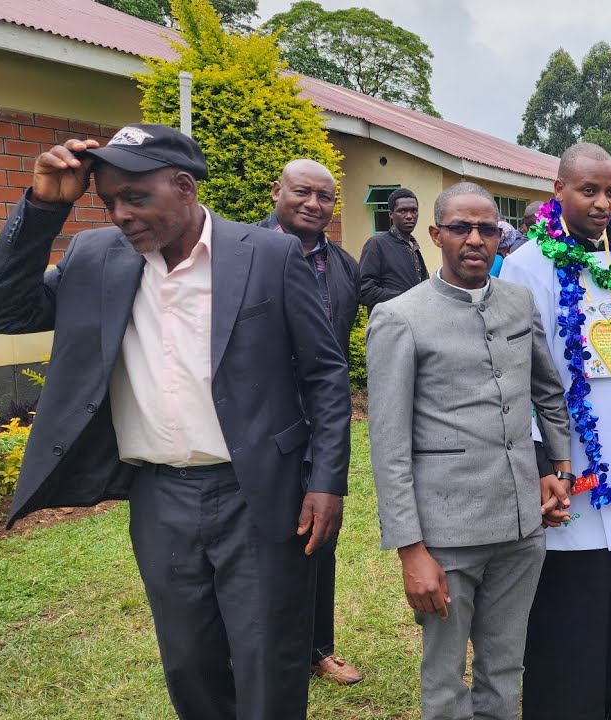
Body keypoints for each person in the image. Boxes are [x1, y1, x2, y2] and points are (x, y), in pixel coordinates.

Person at [0, 126, 351, 718]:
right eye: (108, 201)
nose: (121, 214)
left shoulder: (267, 254)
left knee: (269, 656)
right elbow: (7, 310)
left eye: (135, 197)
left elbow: (324, 375)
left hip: (258, 491)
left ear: (183, 187)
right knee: (188, 660)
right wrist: (42, 209)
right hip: (158, 496)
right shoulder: (95, 257)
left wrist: (325, 481)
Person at [366, 182, 574, 720]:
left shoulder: (516, 301)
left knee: (505, 669)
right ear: (436, 235)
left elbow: (546, 390)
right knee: (444, 679)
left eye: (488, 228)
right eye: (461, 228)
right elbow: (388, 446)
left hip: (520, 526)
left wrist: (559, 467)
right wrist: (411, 550)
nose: (476, 239)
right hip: (446, 535)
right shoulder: (400, 317)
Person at [499, 143, 611, 720]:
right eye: (588, 191)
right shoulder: (528, 266)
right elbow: (522, 375)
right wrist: (547, 465)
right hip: (568, 455)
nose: (602, 203)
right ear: (559, 191)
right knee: (573, 591)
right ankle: (566, 704)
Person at [256, 158, 364, 685]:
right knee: (256, 540)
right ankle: (256, 649)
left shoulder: (342, 265)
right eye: (303, 192)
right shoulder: (243, 254)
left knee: (323, 531)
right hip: (258, 422)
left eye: (325, 197)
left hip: (321, 421)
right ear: (277, 190)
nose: (314, 205)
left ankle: (320, 647)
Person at [360, 187, 428, 316]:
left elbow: (424, 287)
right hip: (389, 326)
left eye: (414, 211)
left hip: (416, 324)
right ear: (391, 214)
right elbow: (364, 290)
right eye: (402, 211)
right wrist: (406, 298)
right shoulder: (377, 244)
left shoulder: (414, 248)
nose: (409, 216)